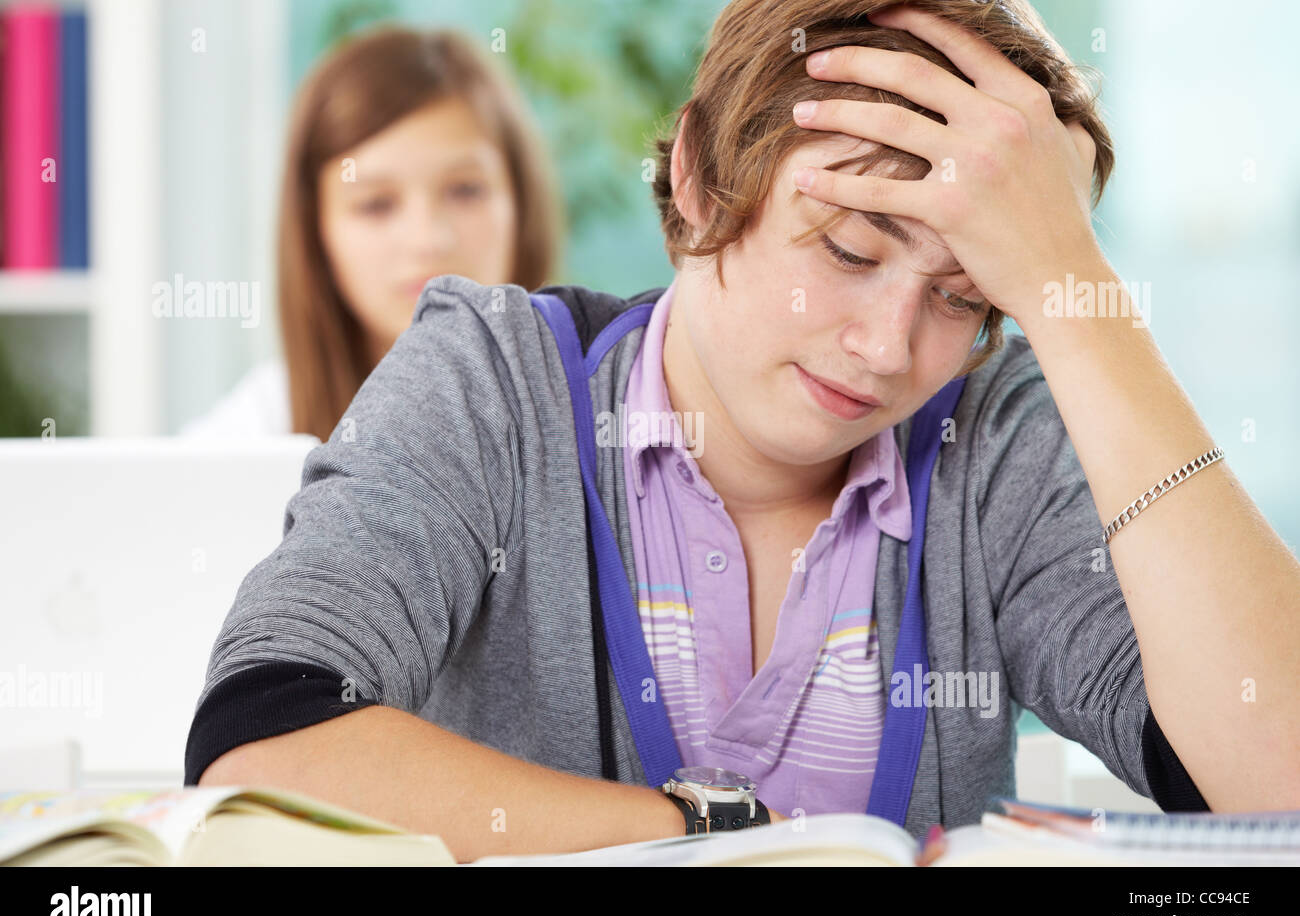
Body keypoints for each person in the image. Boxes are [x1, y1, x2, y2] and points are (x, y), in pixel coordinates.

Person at [185, 0, 1300, 863]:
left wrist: (1068, 287)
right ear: (702, 179)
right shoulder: (493, 379)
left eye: (962, 295)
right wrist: (706, 833)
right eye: (849, 251)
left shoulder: (989, 441)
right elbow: (260, 751)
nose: (885, 345)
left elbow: (1276, 774)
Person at [180, 26, 561, 442]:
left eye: (466, 190)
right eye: (376, 204)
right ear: (315, 229)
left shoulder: (605, 413)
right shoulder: (252, 435)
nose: (428, 239)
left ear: (521, 203)